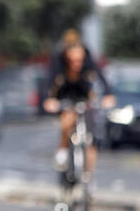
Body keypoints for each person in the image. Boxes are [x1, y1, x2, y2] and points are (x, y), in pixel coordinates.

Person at [42, 40, 116, 180]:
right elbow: (49, 81)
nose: (77, 64)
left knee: (90, 139)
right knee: (67, 120)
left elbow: (101, 77)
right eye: (73, 60)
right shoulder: (59, 63)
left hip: (84, 95)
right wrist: (49, 99)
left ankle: (88, 177)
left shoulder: (88, 62)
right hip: (66, 95)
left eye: (79, 60)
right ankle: (63, 150)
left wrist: (108, 95)